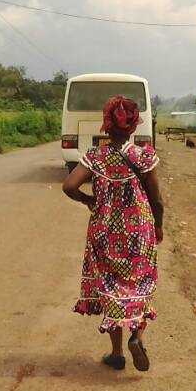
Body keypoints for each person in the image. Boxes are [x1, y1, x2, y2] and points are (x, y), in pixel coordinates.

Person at [63, 96, 165, 371]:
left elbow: (69, 185)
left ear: (107, 124)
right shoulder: (144, 156)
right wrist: (158, 226)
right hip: (139, 232)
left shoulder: (96, 156)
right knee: (140, 286)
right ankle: (137, 337)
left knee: (110, 288)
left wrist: (89, 201)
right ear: (133, 126)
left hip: (105, 233)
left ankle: (117, 353)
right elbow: (156, 200)